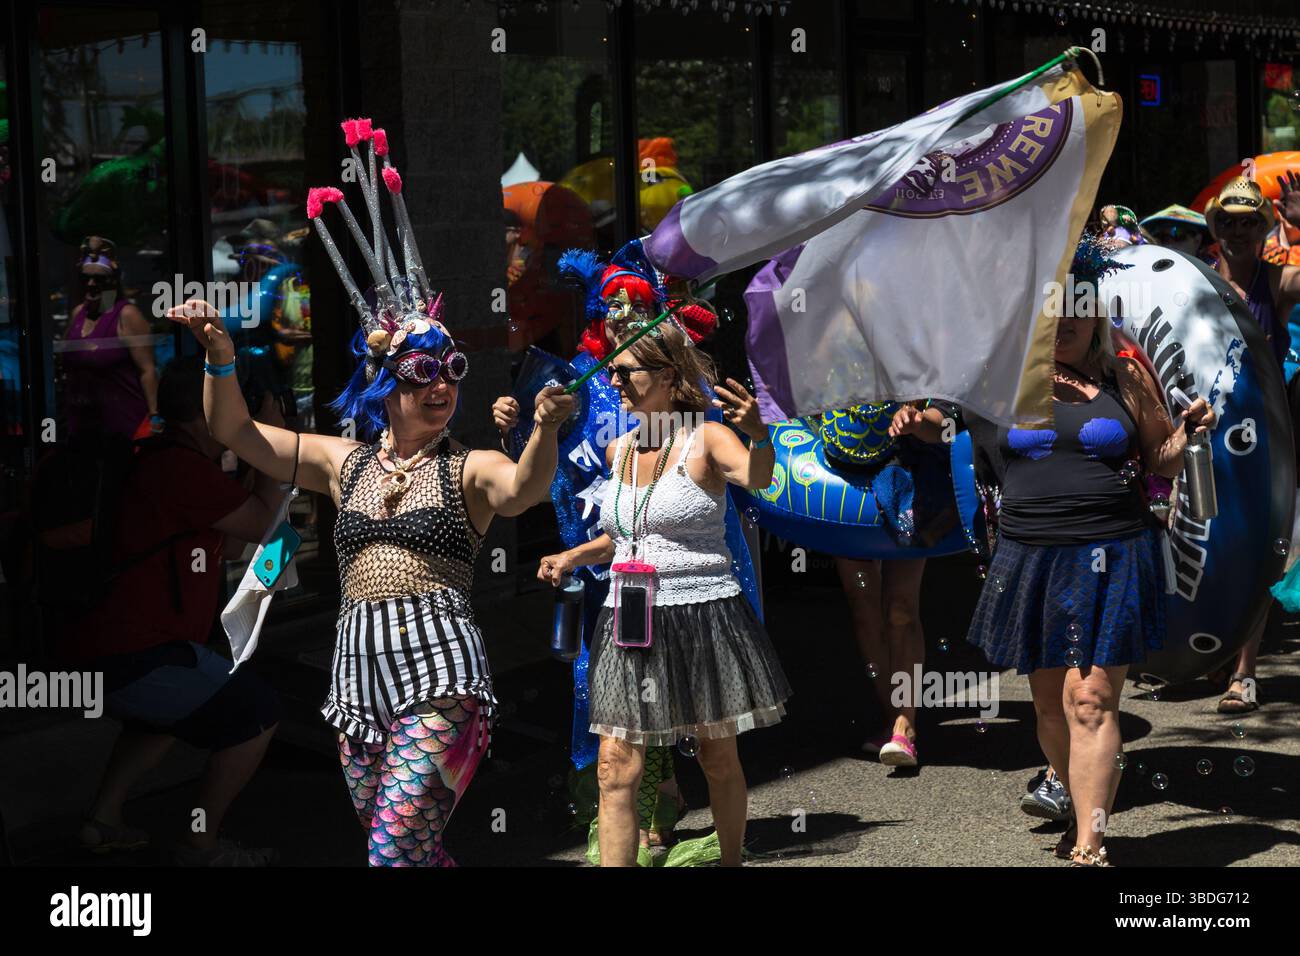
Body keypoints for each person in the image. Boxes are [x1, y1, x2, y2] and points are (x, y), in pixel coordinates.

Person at [168, 118, 574, 867]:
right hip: (358, 678)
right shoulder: (342, 462)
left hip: (441, 675)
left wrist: (544, 430)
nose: (443, 387)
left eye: (452, 370)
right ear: (387, 386)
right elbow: (235, 433)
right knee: (411, 853)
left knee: (389, 855)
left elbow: (522, 492)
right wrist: (221, 356)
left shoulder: (469, 469)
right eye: (423, 375)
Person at [937, 235, 1216, 866]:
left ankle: (1091, 843)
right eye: (1050, 307)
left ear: (1097, 313)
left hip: (1112, 553)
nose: (1064, 319)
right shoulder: (998, 376)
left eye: (1076, 307)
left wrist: (1187, 434)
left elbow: (1161, 464)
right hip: (1029, 557)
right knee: (1049, 705)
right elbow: (937, 412)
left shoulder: (1125, 373)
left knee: (1089, 697)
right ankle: (1070, 795)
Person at [536, 317, 790, 867]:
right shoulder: (620, 450)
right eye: (614, 375)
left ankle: (730, 862)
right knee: (614, 766)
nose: (617, 384)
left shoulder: (709, 438)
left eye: (627, 372)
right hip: (630, 614)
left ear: (668, 374)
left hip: (701, 615)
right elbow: (627, 535)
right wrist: (573, 555)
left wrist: (761, 435)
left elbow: (761, 479)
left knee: (716, 758)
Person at [52, 355, 283, 865]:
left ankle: (102, 820)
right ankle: (199, 846)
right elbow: (264, 528)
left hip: (107, 647)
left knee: (165, 716)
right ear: (213, 413)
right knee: (259, 712)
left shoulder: (170, 459)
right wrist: (268, 442)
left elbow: (246, 539)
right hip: (134, 654)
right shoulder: (181, 470)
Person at [1205, 175, 1300, 713]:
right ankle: (1210, 651)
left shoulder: (1279, 281)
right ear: (1215, 228)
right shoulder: (1196, 281)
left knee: (1256, 554)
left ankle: (1244, 673)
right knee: (1209, 551)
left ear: (1265, 229)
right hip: (1206, 435)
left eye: (1249, 222)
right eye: (1228, 221)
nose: (1238, 231)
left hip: (1266, 441)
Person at [59, 236, 158, 440]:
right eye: (85, 278)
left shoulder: (127, 315)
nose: (91, 284)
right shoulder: (78, 313)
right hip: (82, 427)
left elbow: (147, 370)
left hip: (123, 428)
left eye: (99, 279)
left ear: (113, 280)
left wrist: (155, 416)